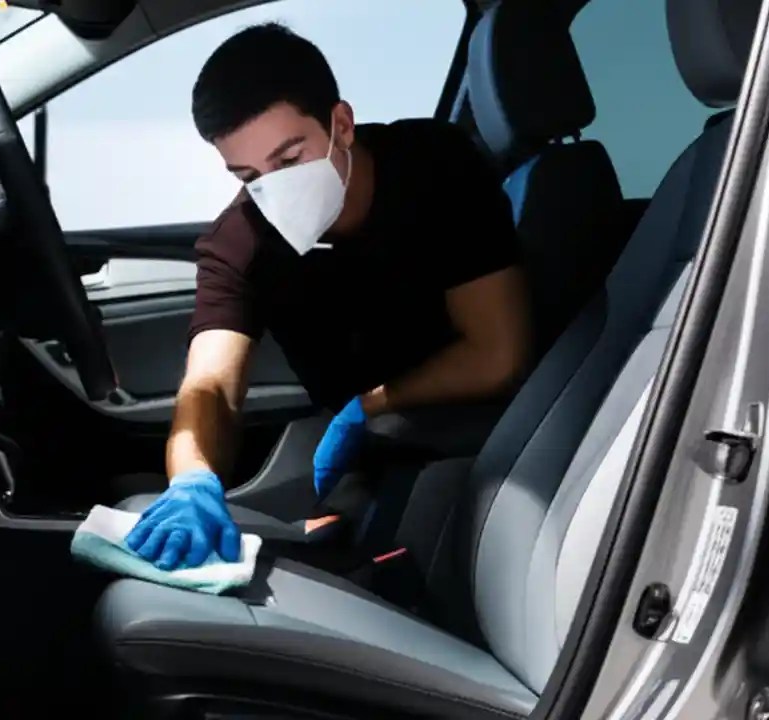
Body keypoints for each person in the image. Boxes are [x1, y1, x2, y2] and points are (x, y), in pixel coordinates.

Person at [125, 23, 529, 570]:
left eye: (289, 160)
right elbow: (210, 386)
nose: (273, 191)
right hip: (372, 456)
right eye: (248, 176)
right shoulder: (240, 242)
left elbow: (497, 354)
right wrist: (192, 479)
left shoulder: (433, 166)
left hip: (486, 429)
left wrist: (367, 406)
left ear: (341, 124)